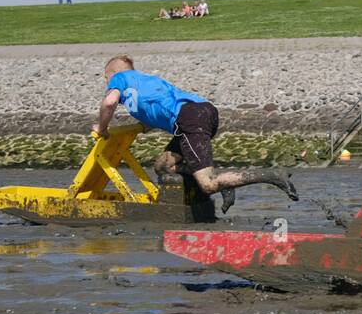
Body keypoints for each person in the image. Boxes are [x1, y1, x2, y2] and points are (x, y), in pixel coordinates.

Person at [93, 55, 298, 213]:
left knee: (208, 184)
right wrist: (143, 124)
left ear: (110, 74)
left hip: (190, 118)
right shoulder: (142, 82)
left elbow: (109, 102)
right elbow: (153, 112)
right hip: (201, 111)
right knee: (164, 166)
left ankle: (272, 176)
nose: (107, 83)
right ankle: (222, 186)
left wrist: (101, 128)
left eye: (105, 79)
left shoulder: (119, 78)